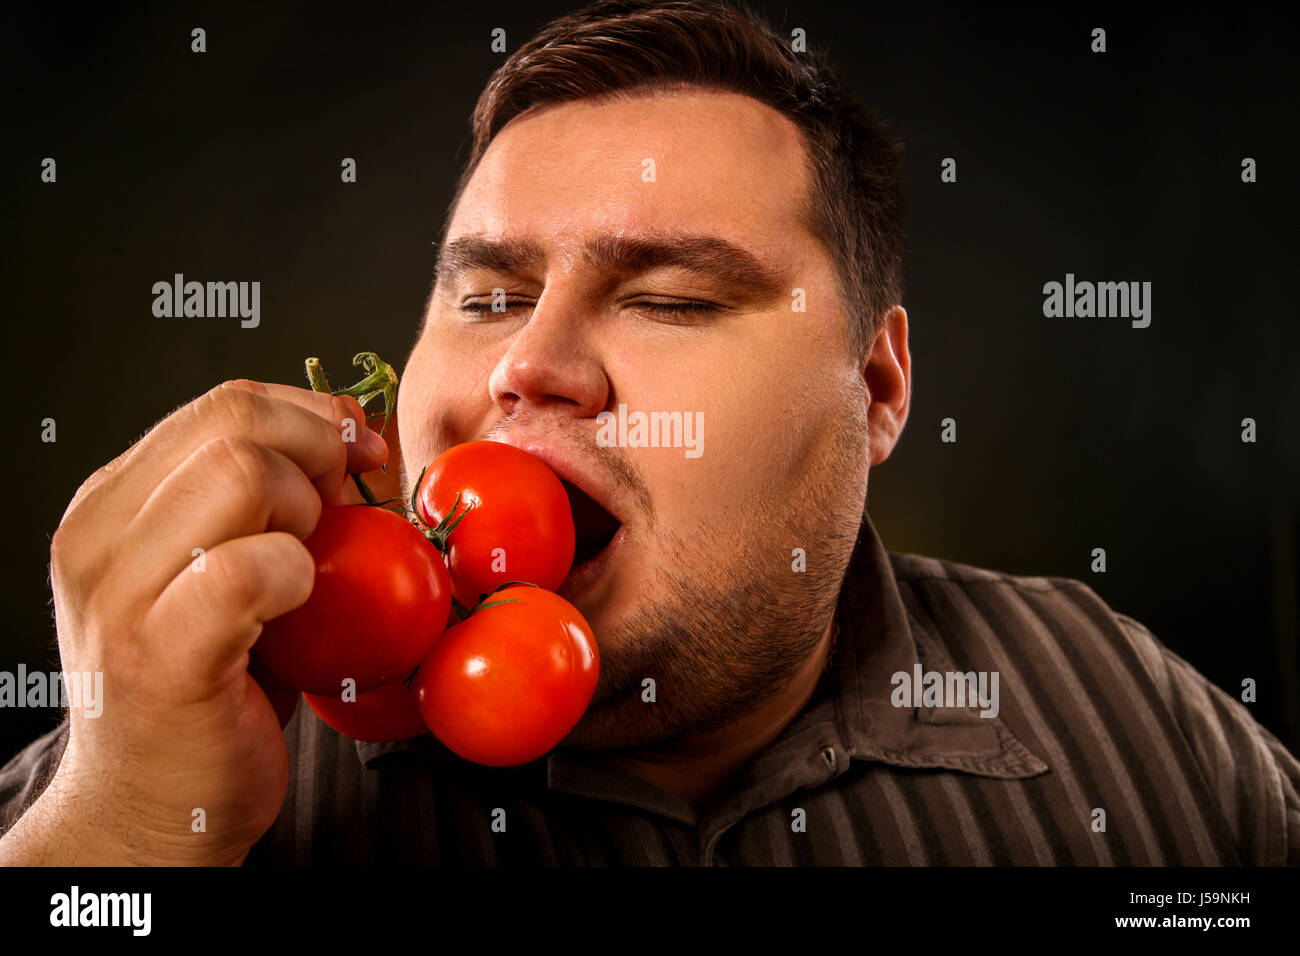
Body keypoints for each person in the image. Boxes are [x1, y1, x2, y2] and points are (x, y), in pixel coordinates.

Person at [2, 0, 1296, 866]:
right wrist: (110, 842)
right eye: (493, 297)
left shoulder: (1143, 732)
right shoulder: (184, 732)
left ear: (881, 390)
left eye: (675, 298)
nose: (527, 363)